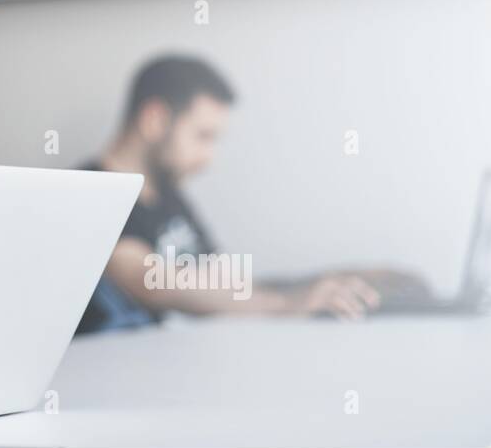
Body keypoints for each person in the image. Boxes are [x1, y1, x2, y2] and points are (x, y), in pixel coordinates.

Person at [75, 55, 386, 334]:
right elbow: (150, 281)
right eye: (203, 136)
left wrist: (326, 282)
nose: (208, 158)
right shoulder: (89, 192)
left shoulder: (166, 192)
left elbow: (223, 279)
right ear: (154, 119)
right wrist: (286, 303)